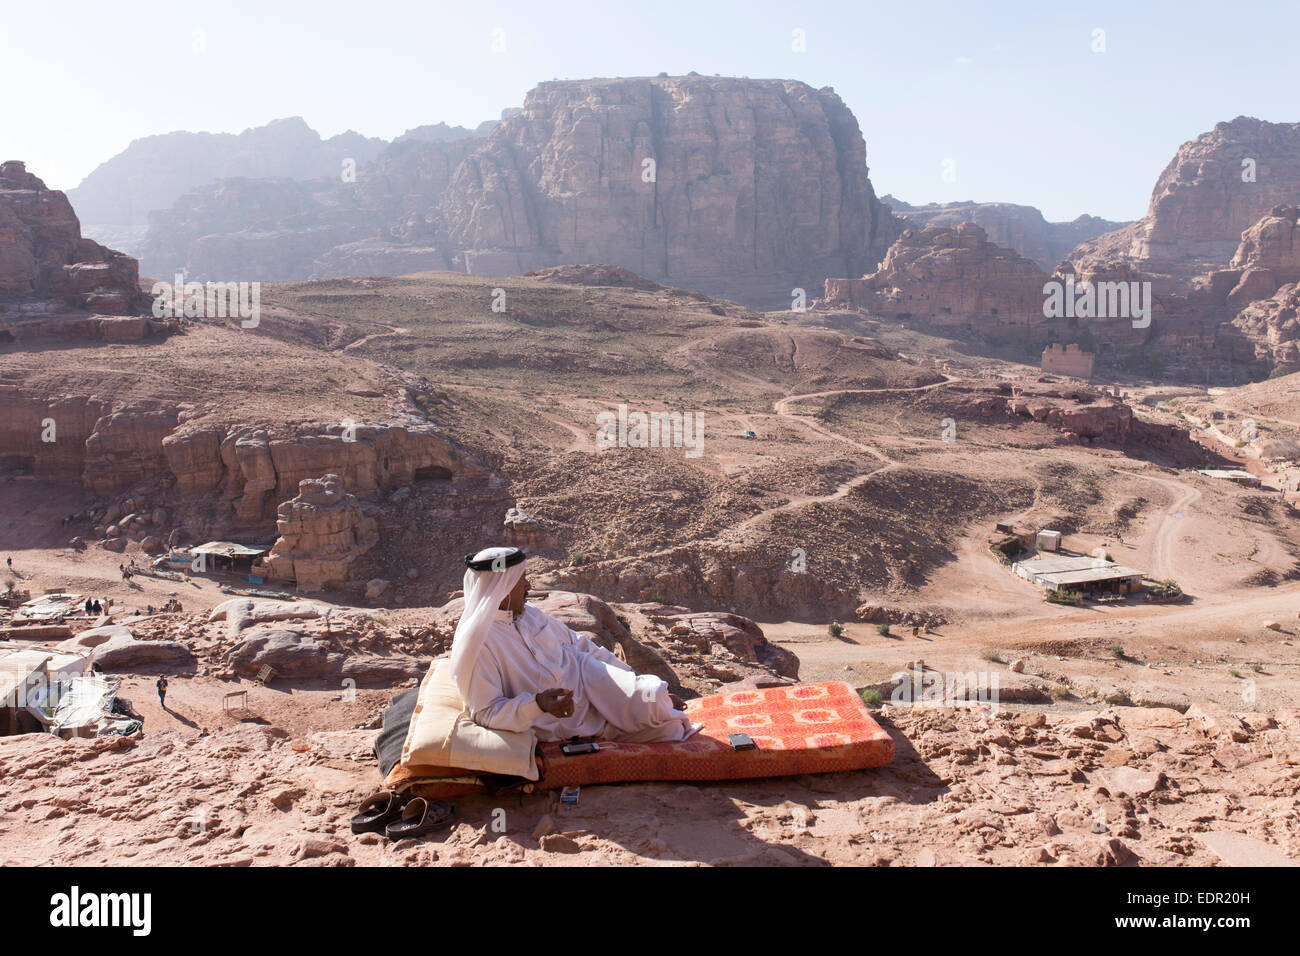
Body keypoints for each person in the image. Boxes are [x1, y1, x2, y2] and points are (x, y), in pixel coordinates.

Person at [449, 547, 699, 743]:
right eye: (521, 579)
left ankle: (652, 701)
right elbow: (486, 713)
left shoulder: (531, 614)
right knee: (661, 721)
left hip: (590, 677)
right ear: (500, 589)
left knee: (653, 696)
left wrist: (634, 681)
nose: (528, 586)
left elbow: (582, 646)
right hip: (561, 717)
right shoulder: (480, 643)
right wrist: (537, 704)